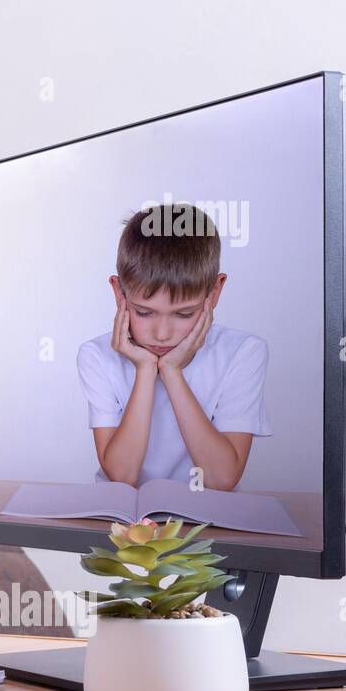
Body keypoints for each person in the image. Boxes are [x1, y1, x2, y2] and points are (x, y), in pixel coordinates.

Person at [76, 203, 272, 491]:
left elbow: (221, 479)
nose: (162, 333)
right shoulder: (97, 356)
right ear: (119, 293)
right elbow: (122, 476)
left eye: (184, 314)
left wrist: (171, 371)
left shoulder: (243, 353)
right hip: (125, 528)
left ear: (214, 293)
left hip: (209, 523)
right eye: (144, 313)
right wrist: (145, 370)